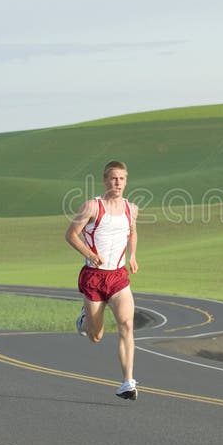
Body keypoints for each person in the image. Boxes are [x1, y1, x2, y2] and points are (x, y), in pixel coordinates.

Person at [64, 160, 140, 400]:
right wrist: (89, 254)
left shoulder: (131, 209)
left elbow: (133, 232)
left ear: (126, 181)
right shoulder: (92, 206)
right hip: (94, 277)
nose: (118, 183)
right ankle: (85, 320)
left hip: (118, 276)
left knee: (127, 324)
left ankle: (128, 382)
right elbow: (71, 234)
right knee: (95, 336)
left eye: (122, 179)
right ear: (105, 180)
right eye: (114, 178)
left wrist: (132, 256)